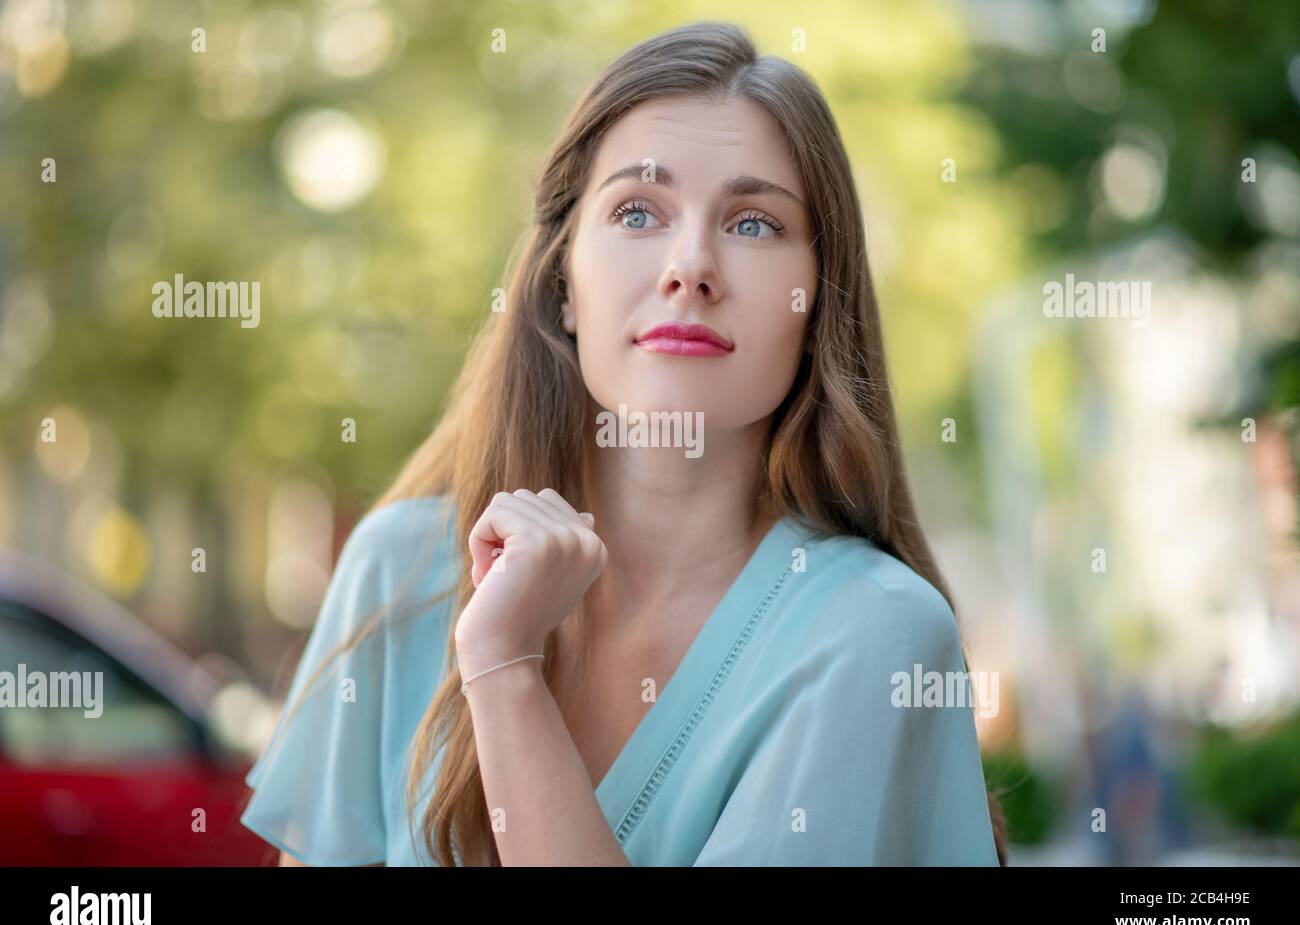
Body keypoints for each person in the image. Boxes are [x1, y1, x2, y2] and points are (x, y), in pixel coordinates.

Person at [240, 20, 1006, 867]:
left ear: (817, 304)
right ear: (562, 283)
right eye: (638, 211)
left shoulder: (876, 638)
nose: (691, 266)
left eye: (754, 224)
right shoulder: (398, 573)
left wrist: (503, 670)